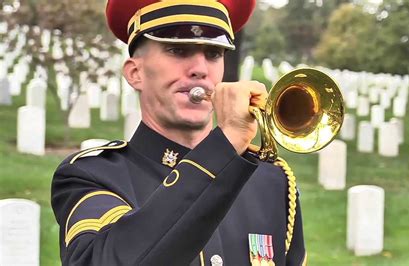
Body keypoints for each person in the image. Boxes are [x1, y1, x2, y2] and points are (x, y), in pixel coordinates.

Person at [51, 0, 306, 265]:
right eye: (178, 50)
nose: (201, 69)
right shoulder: (92, 175)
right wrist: (225, 145)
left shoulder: (273, 181)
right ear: (135, 73)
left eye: (214, 53)